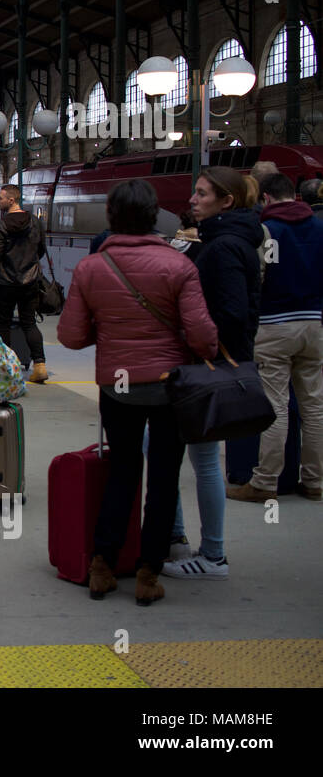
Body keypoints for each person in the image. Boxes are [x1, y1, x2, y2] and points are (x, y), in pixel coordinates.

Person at [58, 180, 218, 605]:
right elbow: (203, 338)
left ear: (112, 216)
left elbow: (70, 337)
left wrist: (109, 332)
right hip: (169, 389)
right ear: (154, 216)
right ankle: (148, 574)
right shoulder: (180, 266)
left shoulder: (92, 267)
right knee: (165, 479)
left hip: (118, 388)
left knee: (122, 472)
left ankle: (102, 567)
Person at [163, 166, 261, 579]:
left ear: (227, 201)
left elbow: (233, 312)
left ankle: (211, 553)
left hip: (205, 367)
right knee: (185, 454)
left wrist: (199, 340)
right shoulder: (236, 240)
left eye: (202, 194)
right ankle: (182, 537)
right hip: (214, 363)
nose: (192, 199)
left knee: (197, 459)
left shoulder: (221, 248)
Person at [233, 172, 323, 502]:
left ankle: (265, 481)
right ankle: (314, 481)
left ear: (267, 198)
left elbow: (259, 279)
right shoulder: (319, 227)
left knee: (276, 405)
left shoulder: (269, 231)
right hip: (314, 325)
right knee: (314, 406)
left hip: (274, 326)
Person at [0, 184, 49, 383]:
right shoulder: (35, 223)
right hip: (30, 281)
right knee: (29, 322)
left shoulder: (1, 225)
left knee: (2, 323)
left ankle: (3, 367)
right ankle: (39, 366)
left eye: (1, 198)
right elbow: (41, 250)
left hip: (6, 282)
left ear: (11, 200)